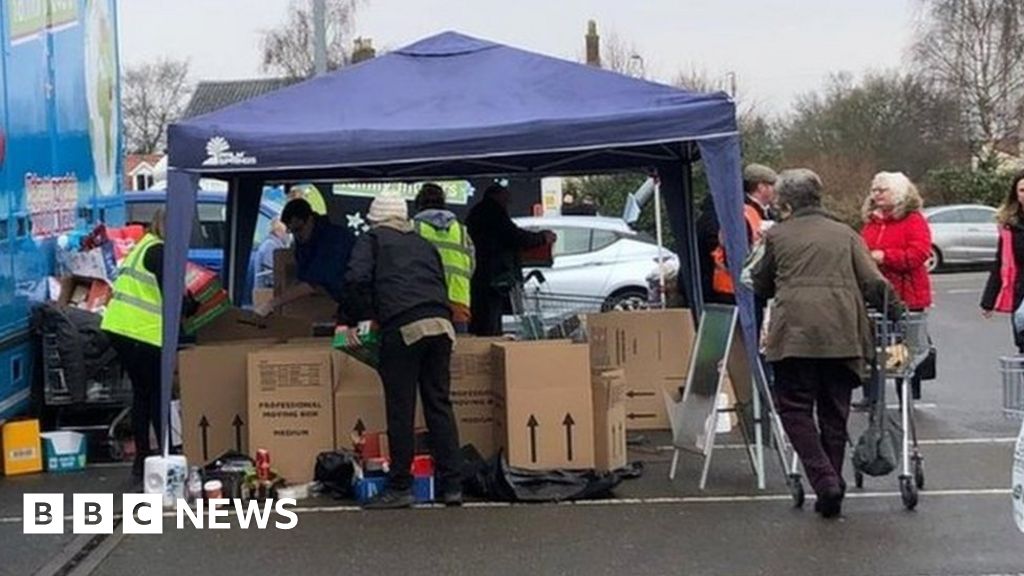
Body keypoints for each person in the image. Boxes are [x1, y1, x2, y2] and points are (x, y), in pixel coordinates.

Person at [751, 169, 898, 519]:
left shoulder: (777, 237)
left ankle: (824, 480)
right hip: (843, 334)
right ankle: (830, 485)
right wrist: (897, 314)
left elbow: (759, 282)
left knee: (794, 409)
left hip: (795, 336)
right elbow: (874, 283)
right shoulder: (846, 234)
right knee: (834, 411)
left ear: (785, 202)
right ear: (819, 197)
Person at [339, 192, 462, 509]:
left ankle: (400, 486)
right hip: (441, 324)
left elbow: (355, 278)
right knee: (439, 404)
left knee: (401, 407)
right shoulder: (423, 243)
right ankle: (451, 486)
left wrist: (358, 318)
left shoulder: (373, 239)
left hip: (404, 326)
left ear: (376, 220)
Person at [101, 208, 195, 477]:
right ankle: (165, 454)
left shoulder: (144, 246)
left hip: (121, 328)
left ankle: (142, 460)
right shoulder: (160, 251)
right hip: (141, 331)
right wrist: (190, 306)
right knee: (156, 394)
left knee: (142, 394)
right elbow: (173, 297)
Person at [858, 171, 932, 404]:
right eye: (874, 190)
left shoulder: (913, 220)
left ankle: (905, 395)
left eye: (883, 190)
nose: (876, 194)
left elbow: (919, 253)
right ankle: (872, 396)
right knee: (873, 343)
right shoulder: (871, 222)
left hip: (906, 294)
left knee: (904, 348)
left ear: (898, 193)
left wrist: (885, 257)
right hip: (875, 295)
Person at [465, 183, 555, 336]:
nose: (507, 204)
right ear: (497, 197)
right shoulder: (492, 212)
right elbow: (513, 236)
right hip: (493, 277)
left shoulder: (479, 213)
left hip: (482, 275)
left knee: (484, 318)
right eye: (506, 200)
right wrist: (541, 238)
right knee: (489, 321)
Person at [254, 198, 356, 318]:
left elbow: (313, 283)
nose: (297, 236)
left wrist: (272, 303)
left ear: (310, 220)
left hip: (358, 298)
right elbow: (305, 280)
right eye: (292, 232)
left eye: (299, 229)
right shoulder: (305, 243)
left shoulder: (333, 240)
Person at [708, 164, 778, 308]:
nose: (776, 190)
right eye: (772, 185)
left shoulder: (767, 212)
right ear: (761, 187)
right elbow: (735, 255)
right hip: (734, 290)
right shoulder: (741, 212)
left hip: (750, 286)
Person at [413, 183, 475, 333]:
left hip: (425, 303)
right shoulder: (461, 231)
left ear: (418, 203)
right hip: (459, 302)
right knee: (460, 353)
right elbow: (471, 266)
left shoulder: (414, 229)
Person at [981, 170, 1024, 351]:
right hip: (1020, 291)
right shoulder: (1010, 227)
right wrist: (988, 300)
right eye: (1022, 190)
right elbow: (1001, 262)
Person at [254, 218, 289, 289]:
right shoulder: (270, 246)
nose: (288, 234)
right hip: (266, 294)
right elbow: (271, 276)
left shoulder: (273, 245)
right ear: (278, 231)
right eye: (286, 231)